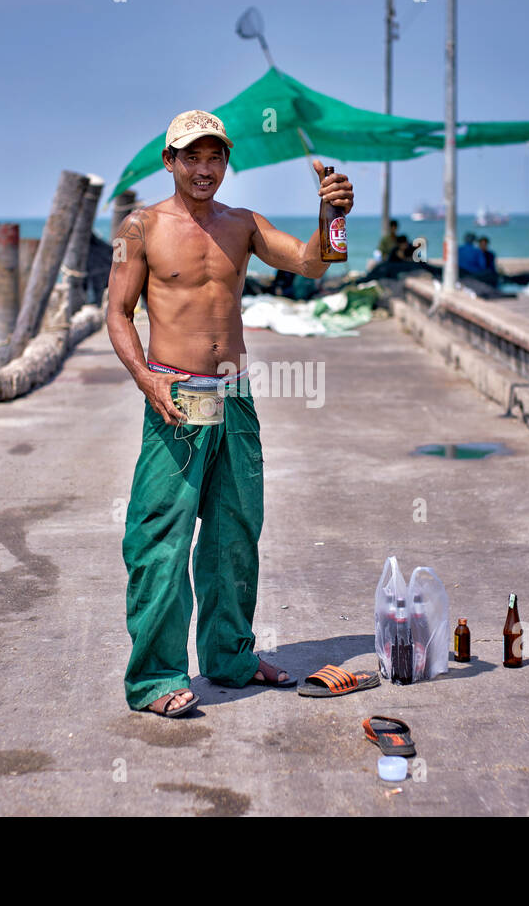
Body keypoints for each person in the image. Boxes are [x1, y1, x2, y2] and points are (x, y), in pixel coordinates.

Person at [107, 110, 354, 718]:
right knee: (159, 538)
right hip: (177, 399)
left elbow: (312, 262)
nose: (204, 168)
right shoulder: (139, 228)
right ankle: (155, 678)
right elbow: (116, 312)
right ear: (170, 162)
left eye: (214, 157)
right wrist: (146, 380)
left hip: (235, 397)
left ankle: (230, 658)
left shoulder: (242, 225)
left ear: (226, 163)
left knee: (234, 534)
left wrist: (329, 217)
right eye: (191, 157)